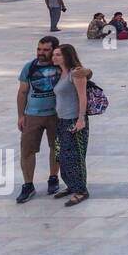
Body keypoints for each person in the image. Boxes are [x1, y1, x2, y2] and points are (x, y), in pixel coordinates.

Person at [15, 36, 62, 204]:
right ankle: (28, 185)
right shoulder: (29, 67)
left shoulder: (61, 65)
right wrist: (21, 115)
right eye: (39, 49)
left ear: (55, 50)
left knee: (55, 147)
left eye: (46, 50)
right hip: (32, 115)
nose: (41, 53)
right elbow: (22, 93)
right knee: (27, 150)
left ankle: (53, 178)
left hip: (55, 114)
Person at [51, 43, 93, 206]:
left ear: (67, 56)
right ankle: (71, 185)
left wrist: (81, 119)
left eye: (58, 55)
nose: (54, 57)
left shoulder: (76, 74)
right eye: (54, 55)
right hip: (61, 120)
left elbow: (83, 97)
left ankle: (81, 190)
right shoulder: (61, 73)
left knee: (74, 157)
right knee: (61, 156)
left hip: (74, 120)